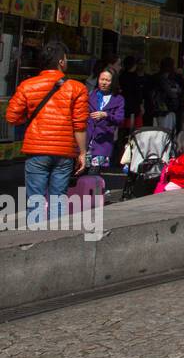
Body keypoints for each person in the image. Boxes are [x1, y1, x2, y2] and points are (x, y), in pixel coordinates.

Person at [6, 41, 90, 224]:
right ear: (61, 62)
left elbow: (12, 117)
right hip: (64, 152)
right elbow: (80, 125)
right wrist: (82, 152)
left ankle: (34, 238)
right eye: (66, 59)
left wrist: (30, 119)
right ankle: (55, 240)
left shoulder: (27, 86)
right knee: (58, 198)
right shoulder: (77, 88)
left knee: (35, 199)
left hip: (36, 149)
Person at [86, 67, 125, 173]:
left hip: (103, 144)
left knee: (95, 177)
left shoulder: (118, 99)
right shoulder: (90, 95)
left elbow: (119, 119)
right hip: (86, 142)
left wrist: (106, 115)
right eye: (101, 79)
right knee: (82, 177)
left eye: (107, 80)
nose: (103, 83)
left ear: (113, 82)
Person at [147, 57, 184, 131]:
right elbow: (181, 91)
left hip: (158, 109)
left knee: (160, 131)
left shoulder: (154, 78)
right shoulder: (176, 78)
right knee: (168, 132)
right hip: (170, 108)